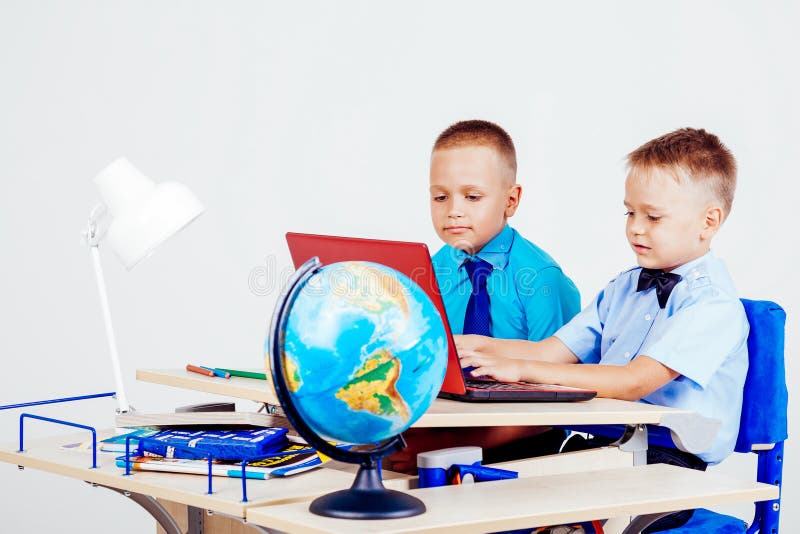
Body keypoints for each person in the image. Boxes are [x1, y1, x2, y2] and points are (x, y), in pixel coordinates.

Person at [457, 127, 749, 531]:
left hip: (669, 462)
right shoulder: (623, 288)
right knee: (487, 490)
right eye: (630, 212)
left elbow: (632, 382)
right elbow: (549, 351)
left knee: (529, 501)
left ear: (708, 221)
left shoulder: (713, 304)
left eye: (653, 216)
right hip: (609, 445)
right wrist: (473, 346)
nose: (635, 228)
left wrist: (522, 371)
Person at [387, 120, 580, 473]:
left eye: (472, 197)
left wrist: (449, 445)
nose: (453, 210)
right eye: (440, 197)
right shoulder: (429, 270)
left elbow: (559, 401)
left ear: (511, 199)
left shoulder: (541, 280)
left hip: (525, 437)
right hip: (447, 418)